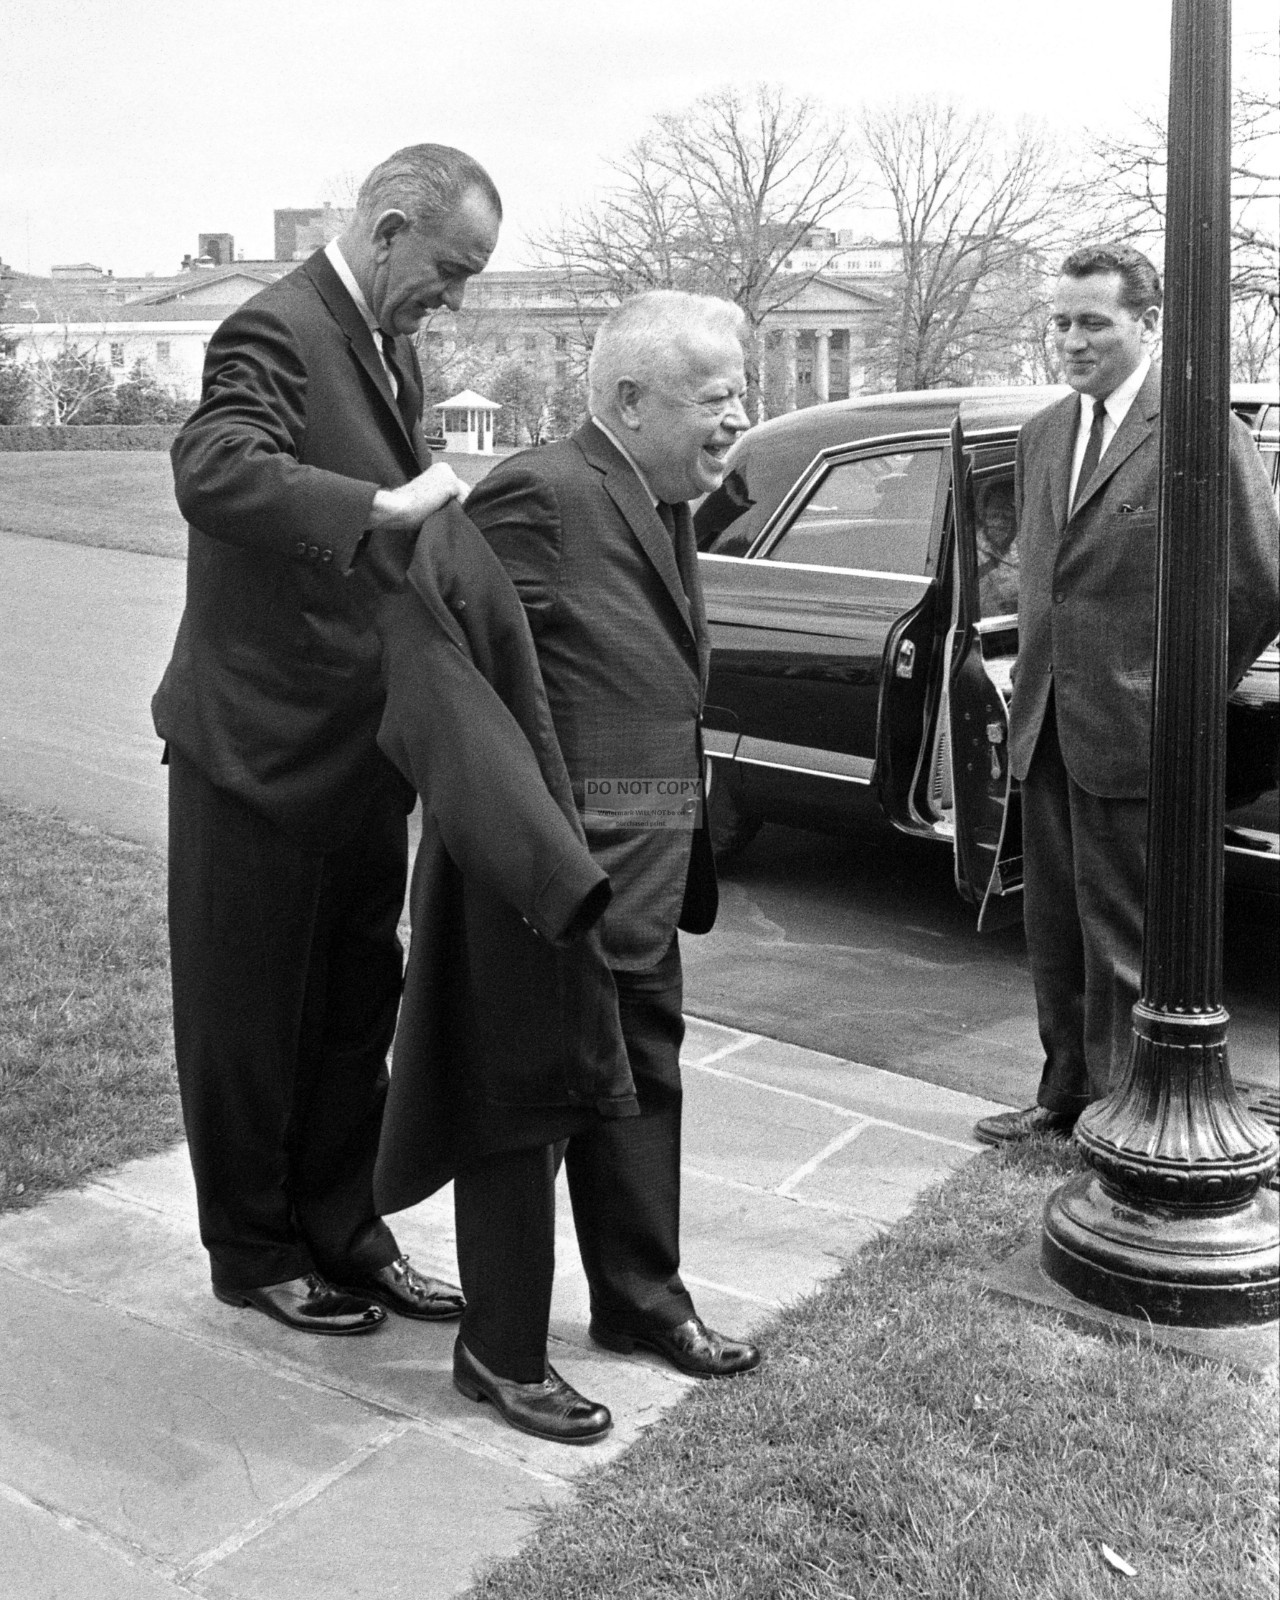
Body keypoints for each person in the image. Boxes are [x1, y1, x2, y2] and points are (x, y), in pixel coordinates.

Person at [152, 144, 501, 1333]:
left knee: (356, 1004)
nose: (449, 299)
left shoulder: (385, 342)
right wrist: (374, 509)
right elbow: (216, 467)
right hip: (253, 749)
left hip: (360, 748)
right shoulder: (272, 328)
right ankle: (253, 1248)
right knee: (250, 1018)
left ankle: (344, 1231)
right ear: (390, 225)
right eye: (447, 269)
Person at [446, 290, 761, 1441]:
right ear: (629, 401)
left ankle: (638, 1302)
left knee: (642, 1091)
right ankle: (501, 1352)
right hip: (559, 886)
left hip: (648, 870)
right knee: (527, 1112)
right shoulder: (541, 492)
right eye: (715, 401)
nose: (736, 423)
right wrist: (535, 839)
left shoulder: (659, 496)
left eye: (740, 396)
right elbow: (449, 660)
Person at [975, 243, 1279, 1147]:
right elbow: (1047, 582)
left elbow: (1258, 583)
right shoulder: (1041, 435)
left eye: (1093, 323)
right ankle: (1064, 1094)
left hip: (1141, 732)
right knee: (1056, 925)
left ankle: (1131, 1113)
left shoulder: (1196, 431)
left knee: (1130, 940)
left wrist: (1178, 695)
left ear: (1146, 323)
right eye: (1060, 322)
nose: (1070, 341)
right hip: (1047, 724)